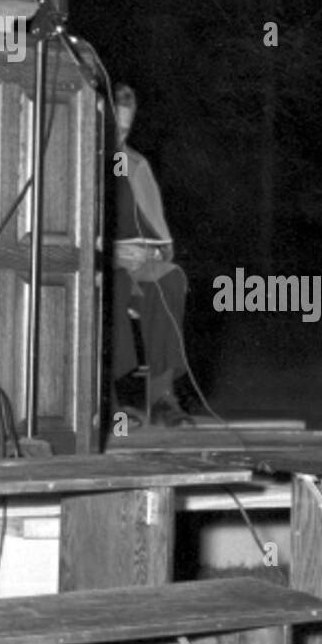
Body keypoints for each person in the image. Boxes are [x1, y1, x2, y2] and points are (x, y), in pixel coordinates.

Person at [110, 85, 193, 428]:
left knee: (169, 279)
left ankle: (161, 396)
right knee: (111, 285)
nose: (120, 135)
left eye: (126, 129)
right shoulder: (78, 158)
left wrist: (154, 250)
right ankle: (107, 401)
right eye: (114, 126)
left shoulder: (135, 163)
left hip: (139, 263)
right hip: (105, 264)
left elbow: (156, 227)